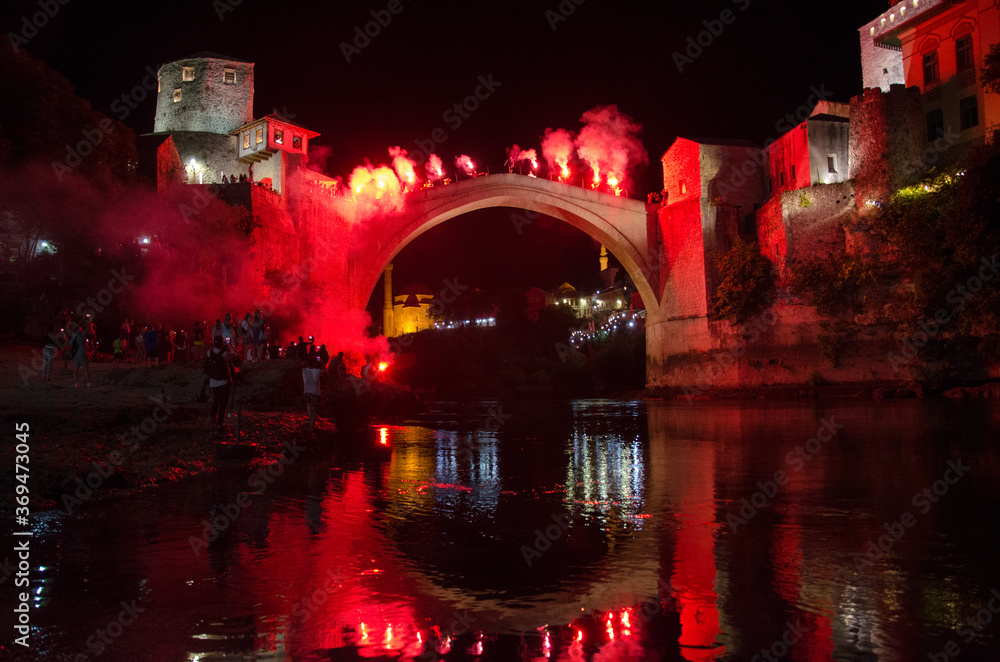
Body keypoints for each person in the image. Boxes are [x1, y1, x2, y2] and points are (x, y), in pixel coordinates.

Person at [204, 337, 232, 432]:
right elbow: (236, 357)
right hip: (224, 381)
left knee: (216, 400)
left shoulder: (209, 353)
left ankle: (212, 419)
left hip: (213, 382)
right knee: (223, 403)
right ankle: (220, 424)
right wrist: (229, 345)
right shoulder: (225, 354)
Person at [302, 354, 324, 432]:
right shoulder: (318, 371)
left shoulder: (304, 370)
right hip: (314, 393)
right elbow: (325, 372)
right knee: (314, 411)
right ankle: (311, 429)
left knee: (308, 405)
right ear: (315, 363)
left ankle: (310, 420)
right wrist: (322, 363)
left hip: (306, 391)